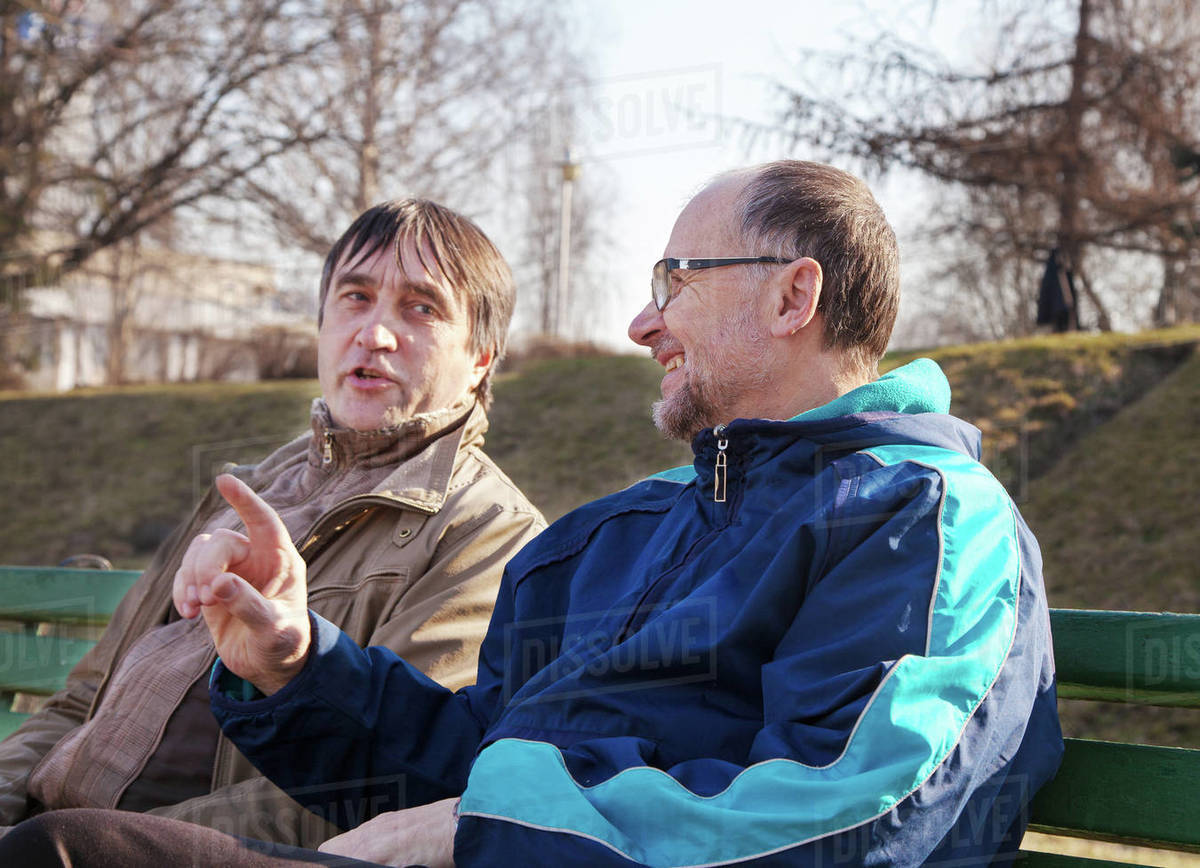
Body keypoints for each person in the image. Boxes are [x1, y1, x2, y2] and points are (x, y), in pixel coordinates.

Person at [1, 160, 1063, 867]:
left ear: (794, 297)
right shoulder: (611, 536)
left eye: (674, 280)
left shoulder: (925, 519)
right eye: (355, 301)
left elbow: (860, 813)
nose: (642, 319)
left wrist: (492, 827)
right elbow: (473, 753)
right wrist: (293, 663)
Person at [0, 199, 545, 849]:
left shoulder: (487, 534)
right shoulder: (243, 490)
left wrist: (97, 844)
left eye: (421, 308)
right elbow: (80, 697)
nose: (373, 334)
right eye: (355, 297)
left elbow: (386, 782)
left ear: (482, 357)